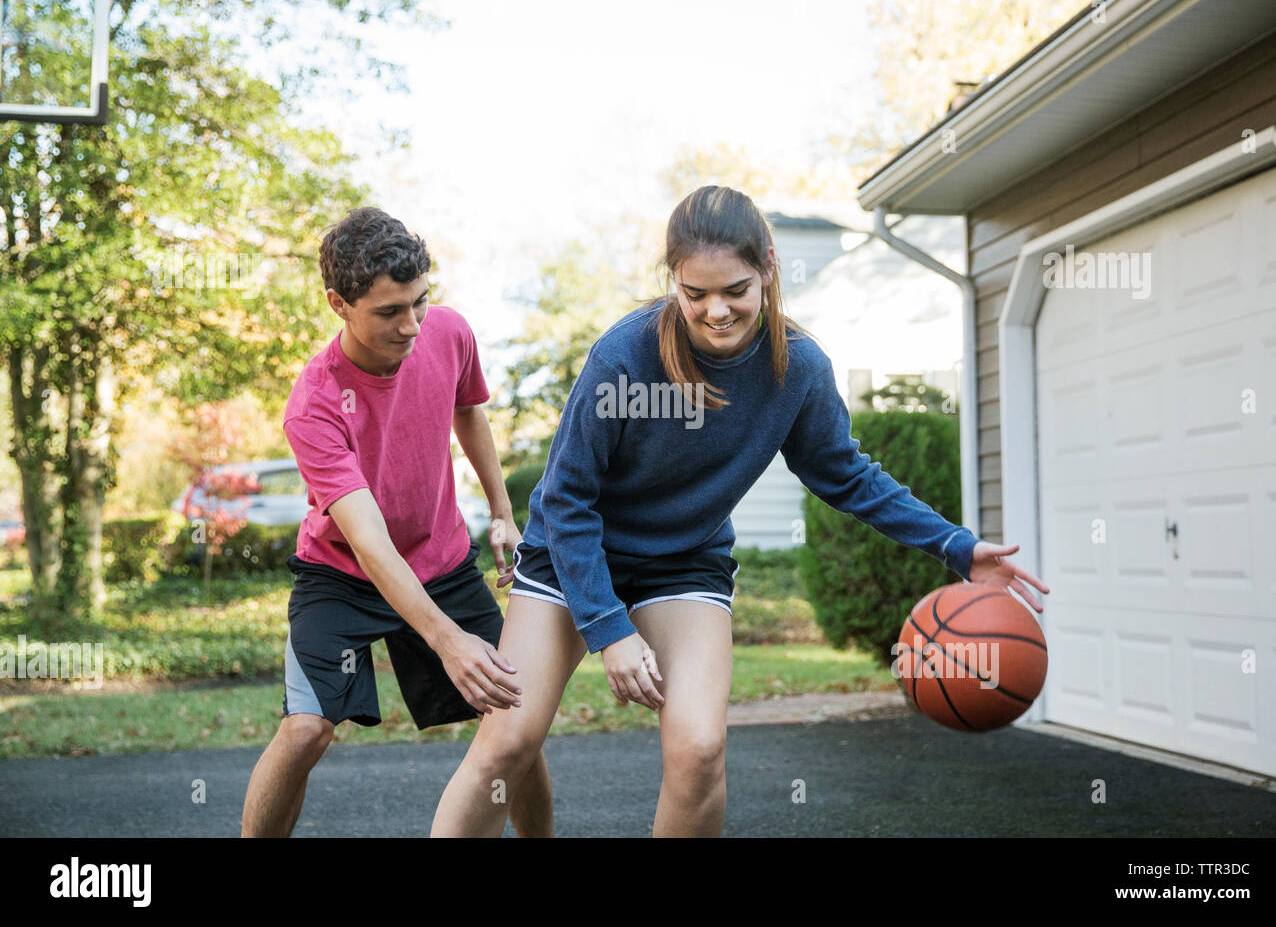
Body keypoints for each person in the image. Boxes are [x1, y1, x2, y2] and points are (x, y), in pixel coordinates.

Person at [430, 185, 1049, 838]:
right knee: (507, 744)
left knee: (698, 750)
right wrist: (609, 627)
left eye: (735, 290)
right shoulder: (625, 355)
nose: (716, 311)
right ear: (674, 281)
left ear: (769, 269)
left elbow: (845, 475)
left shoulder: (798, 368)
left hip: (682, 565)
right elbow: (565, 496)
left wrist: (956, 547)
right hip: (571, 558)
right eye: (694, 294)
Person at [240, 207, 552, 837]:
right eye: (389, 312)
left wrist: (500, 512)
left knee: (513, 724)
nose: (411, 325)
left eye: (419, 303)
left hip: (440, 560)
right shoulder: (316, 404)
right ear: (339, 304)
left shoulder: (447, 332)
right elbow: (371, 545)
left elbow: (469, 408)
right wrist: (448, 641)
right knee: (305, 730)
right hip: (344, 576)